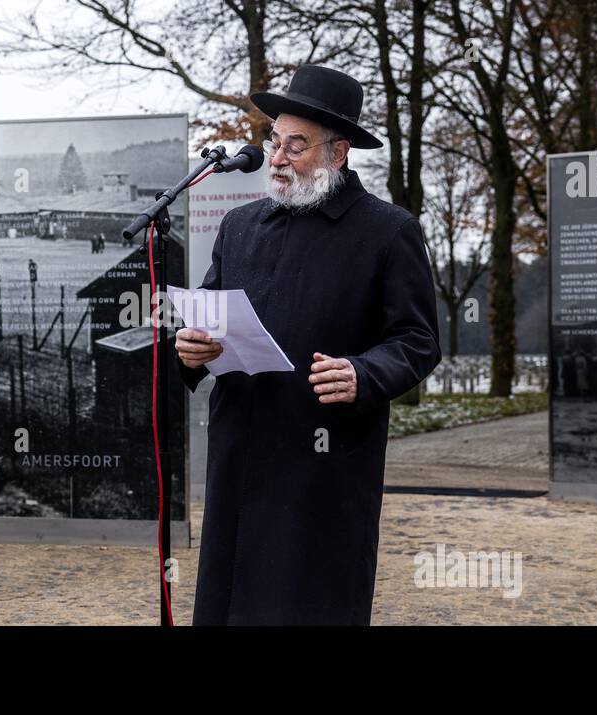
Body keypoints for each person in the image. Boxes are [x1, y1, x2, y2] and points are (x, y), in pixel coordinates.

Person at [175, 64, 441, 625]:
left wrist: (363, 374)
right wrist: (192, 349)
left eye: (296, 145)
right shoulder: (239, 225)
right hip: (241, 456)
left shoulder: (388, 231)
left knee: (308, 604)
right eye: (275, 140)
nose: (277, 156)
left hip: (323, 467)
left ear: (338, 153)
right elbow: (208, 311)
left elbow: (418, 339)